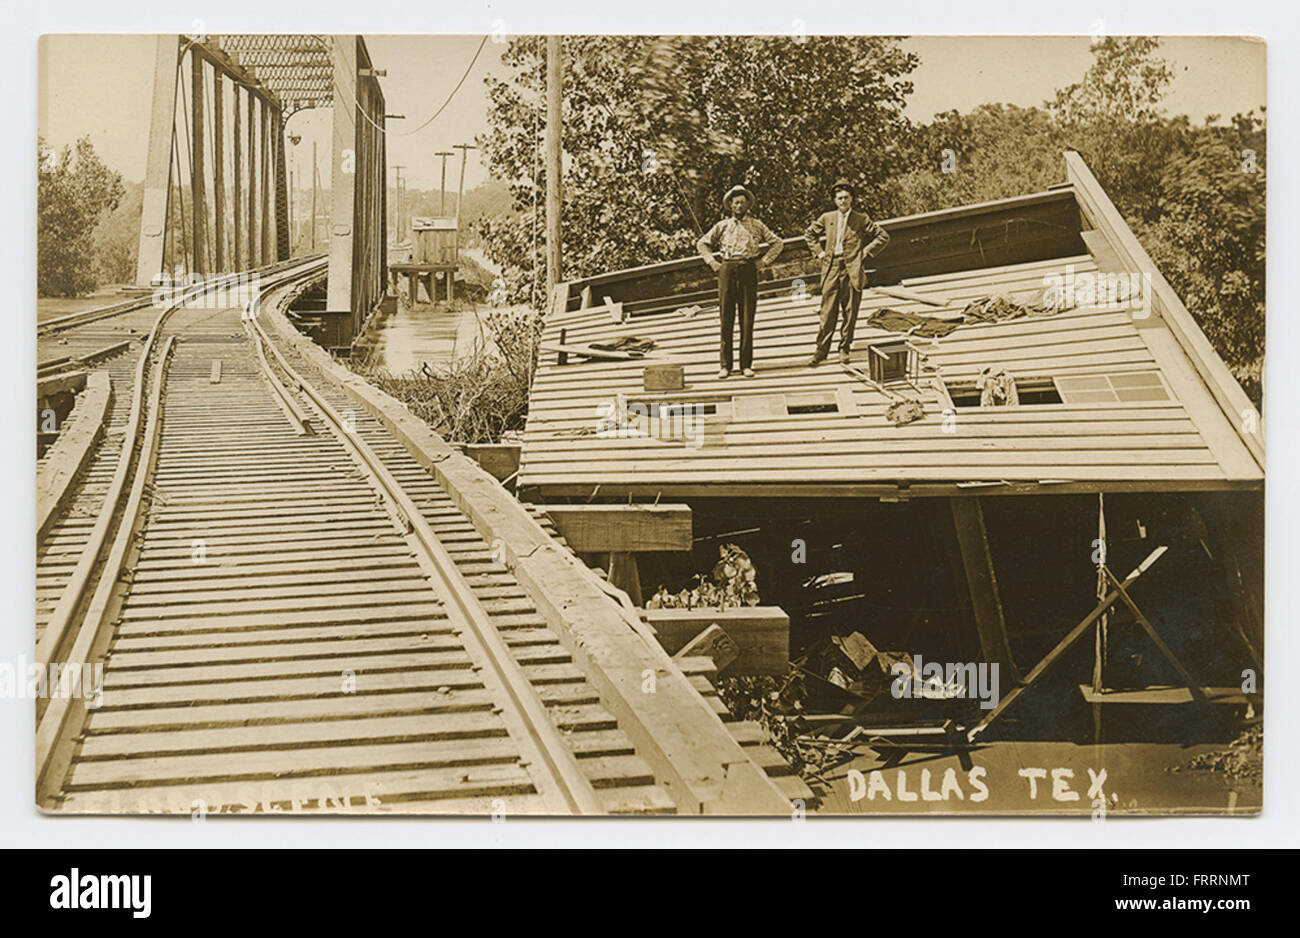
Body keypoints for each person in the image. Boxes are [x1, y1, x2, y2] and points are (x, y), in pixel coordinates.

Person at [697, 185, 783, 378]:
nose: (739, 206)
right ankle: (725, 365)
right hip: (727, 269)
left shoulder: (756, 225)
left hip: (748, 270)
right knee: (726, 318)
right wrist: (712, 262)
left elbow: (778, 243)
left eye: (742, 203)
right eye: (736, 202)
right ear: (730, 205)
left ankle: (746, 364)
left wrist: (764, 262)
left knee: (747, 318)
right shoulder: (722, 226)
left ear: (747, 205)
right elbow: (701, 243)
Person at [802, 179, 891, 366]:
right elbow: (809, 234)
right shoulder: (827, 218)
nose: (843, 201)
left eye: (846, 198)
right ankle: (820, 351)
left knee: (850, 312)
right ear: (835, 200)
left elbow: (883, 236)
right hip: (831, 267)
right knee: (827, 313)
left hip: (852, 268)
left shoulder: (860, 219)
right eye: (840, 198)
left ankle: (844, 348)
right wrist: (819, 252)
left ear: (851, 199)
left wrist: (865, 252)